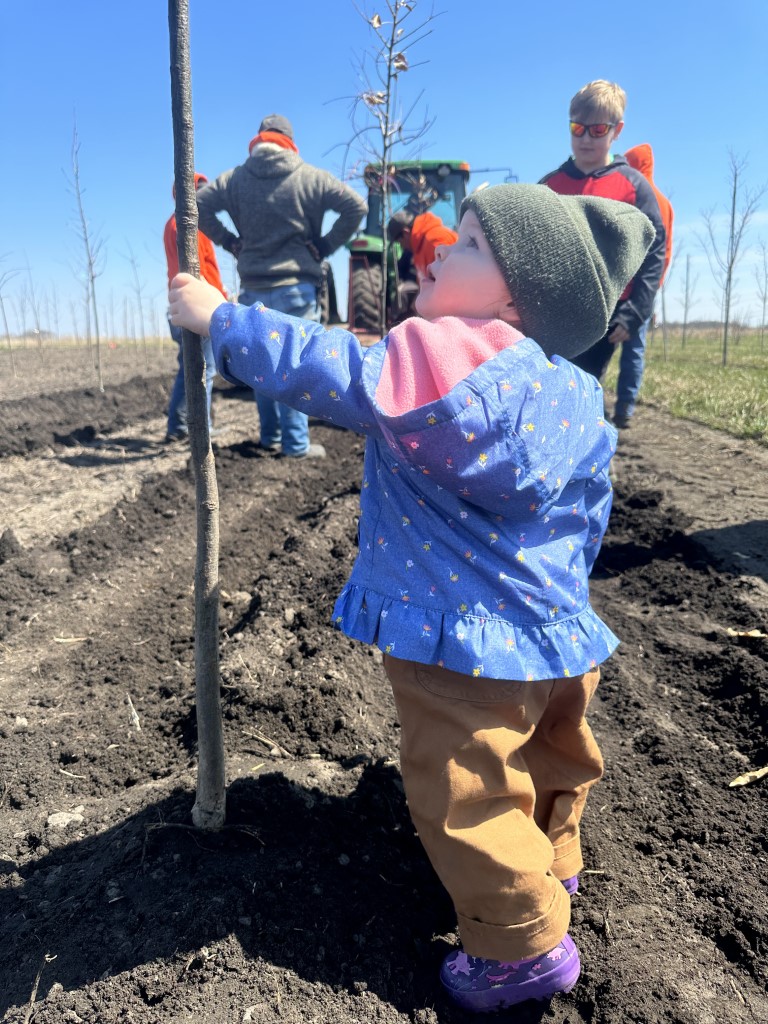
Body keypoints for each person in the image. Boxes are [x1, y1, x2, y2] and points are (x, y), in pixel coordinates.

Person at [169, 183, 654, 1012]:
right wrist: (562, 606)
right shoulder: (574, 393)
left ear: (512, 294)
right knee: (550, 756)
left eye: (463, 243)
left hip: (461, 643)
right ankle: (557, 862)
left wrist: (221, 320)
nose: (433, 250)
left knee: (462, 792)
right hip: (559, 632)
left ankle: (518, 945)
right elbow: (588, 515)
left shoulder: (433, 354)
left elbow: (331, 365)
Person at [196, 114, 367, 458]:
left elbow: (197, 204)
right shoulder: (310, 177)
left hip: (253, 286)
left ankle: (270, 436)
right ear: (289, 142)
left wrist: (230, 242)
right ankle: (296, 444)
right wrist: (324, 246)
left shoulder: (234, 180)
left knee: (259, 360)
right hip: (297, 286)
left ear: (259, 140)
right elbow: (356, 206)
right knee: (296, 361)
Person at [540, 80, 666, 429]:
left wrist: (637, 310)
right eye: (577, 128)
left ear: (617, 130)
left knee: (582, 385)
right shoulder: (550, 186)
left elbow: (655, 250)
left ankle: (593, 465)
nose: (585, 139)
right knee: (554, 389)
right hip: (557, 311)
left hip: (607, 315)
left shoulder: (633, 188)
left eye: (597, 130)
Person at [163, 172, 228, 443]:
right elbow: (195, 274)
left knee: (191, 369)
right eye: (199, 191)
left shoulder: (187, 226)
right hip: (196, 309)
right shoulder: (184, 227)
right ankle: (195, 430)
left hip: (193, 306)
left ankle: (183, 426)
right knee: (202, 371)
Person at [625, 143, 674, 285]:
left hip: (623, 285)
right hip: (648, 286)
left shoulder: (627, 194)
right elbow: (666, 251)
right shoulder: (665, 204)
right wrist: (655, 284)